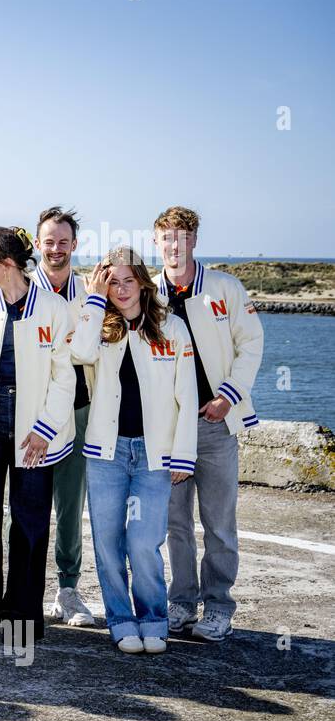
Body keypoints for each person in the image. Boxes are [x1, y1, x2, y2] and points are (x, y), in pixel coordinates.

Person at [0, 227, 76, 642]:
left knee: (30, 523)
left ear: (7, 264)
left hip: (34, 431)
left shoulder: (55, 309)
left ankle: (22, 614)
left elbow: (64, 377)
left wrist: (45, 429)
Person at [71, 247, 198, 654]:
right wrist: (93, 300)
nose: (121, 289)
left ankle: (152, 618)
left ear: (143, 282)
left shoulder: (171, 328)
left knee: (143, 542)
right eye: (112, 282)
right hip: (106, 453)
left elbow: (187, 394)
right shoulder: (98, 325)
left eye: (128, 280)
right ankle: (121, 620)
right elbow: (80, 353)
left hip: (153, 455)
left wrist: (184, 454)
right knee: (107, 543)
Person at [154, 206, 264, 641]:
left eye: (183, 238)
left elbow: (251, 344)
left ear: (194, 242)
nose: (175, 246)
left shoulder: (225, 288)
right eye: (168, 238)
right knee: (174, 523)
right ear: (157, 243)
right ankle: (181, 602)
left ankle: (218, 606)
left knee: (218, 522)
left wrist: (227, 397)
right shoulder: (150, 294)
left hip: (216, 424)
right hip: (169, 429)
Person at [34, 206, 96, 627]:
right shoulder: (20, 291)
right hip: (26, 414)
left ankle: (68, 589)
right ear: (37, 244)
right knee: (22, 506)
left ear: (74, 245)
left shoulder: (92, 293)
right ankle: (21, 589)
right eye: (48, 242)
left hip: (78, 410)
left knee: (70, 506)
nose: (56, 249)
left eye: (63, 242)